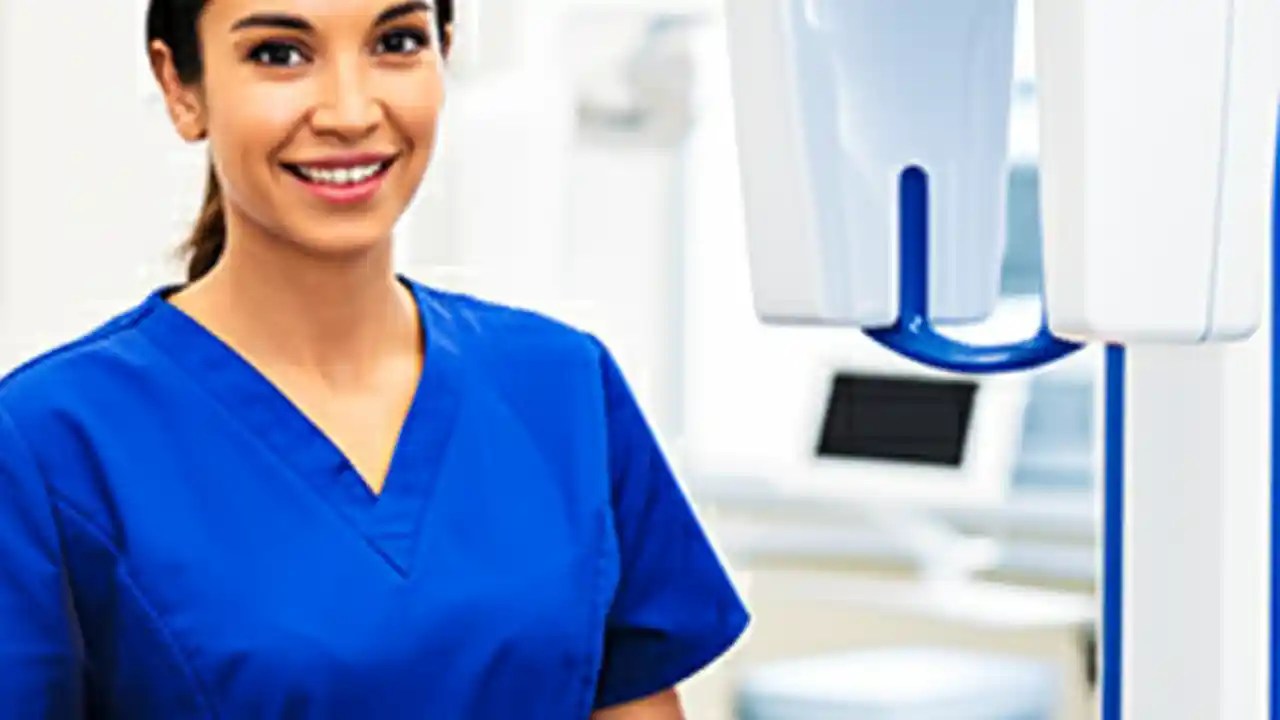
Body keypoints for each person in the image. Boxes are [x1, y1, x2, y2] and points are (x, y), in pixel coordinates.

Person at [0, 0, 749, 717]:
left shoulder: (563, 387)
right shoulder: (49, 442)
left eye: (396, 42)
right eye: (279, 54)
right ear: (180, 87)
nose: (351, 111)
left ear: (443, 53)